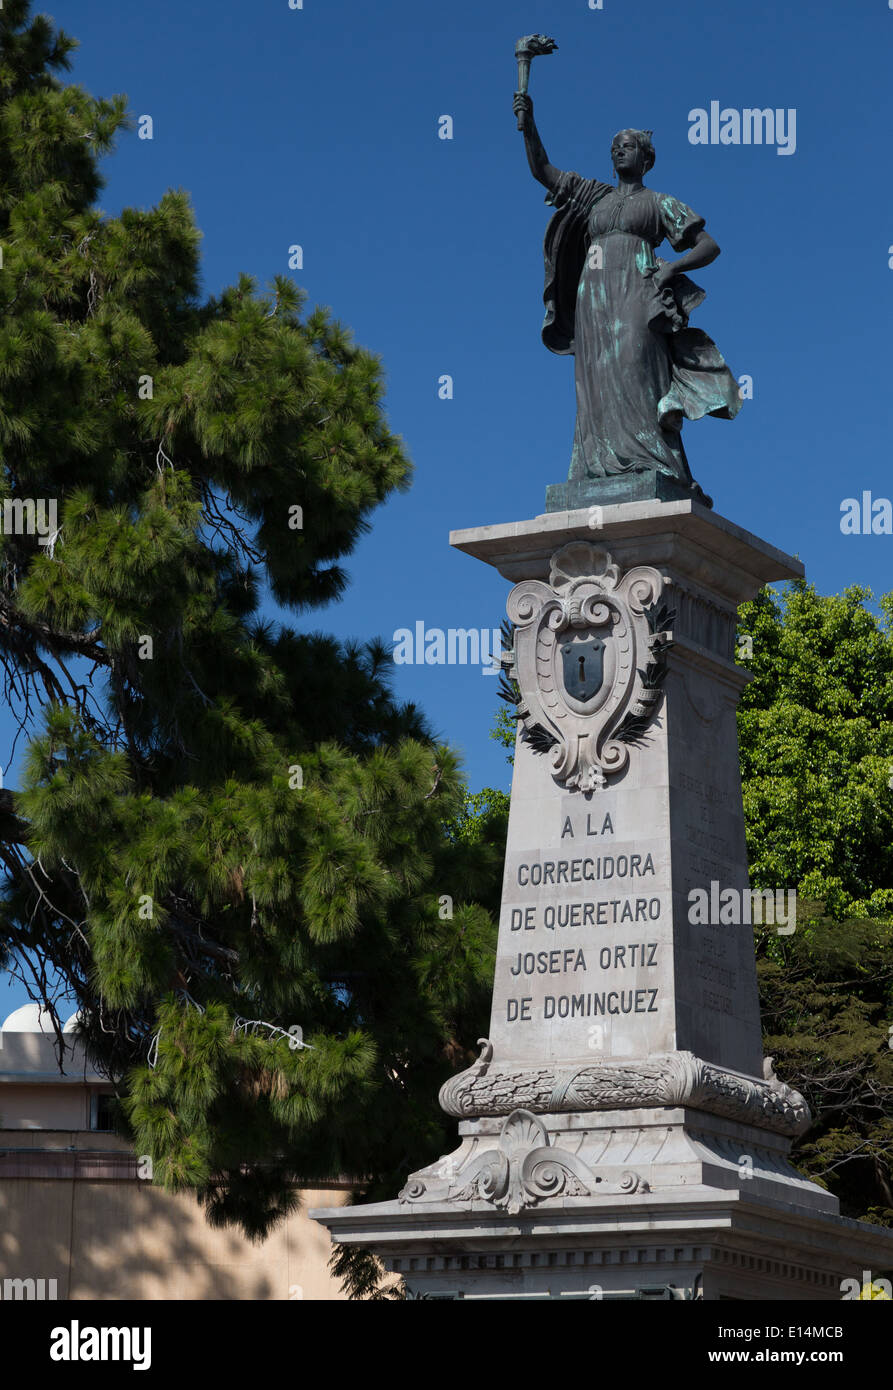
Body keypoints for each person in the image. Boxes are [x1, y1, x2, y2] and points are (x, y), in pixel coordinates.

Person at [513, 94, 740, 499]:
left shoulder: (658, 203)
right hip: (593, 299)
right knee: (596, 383)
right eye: (615, 145)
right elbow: (542, 170)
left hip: (638, 291)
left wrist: (672, 267)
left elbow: (709, 246)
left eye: (629, 145)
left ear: (646, 158)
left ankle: (657, 463)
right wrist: (528, 121)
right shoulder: (593, 196)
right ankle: (596, 466)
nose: (619, 149)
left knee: (637, 372)